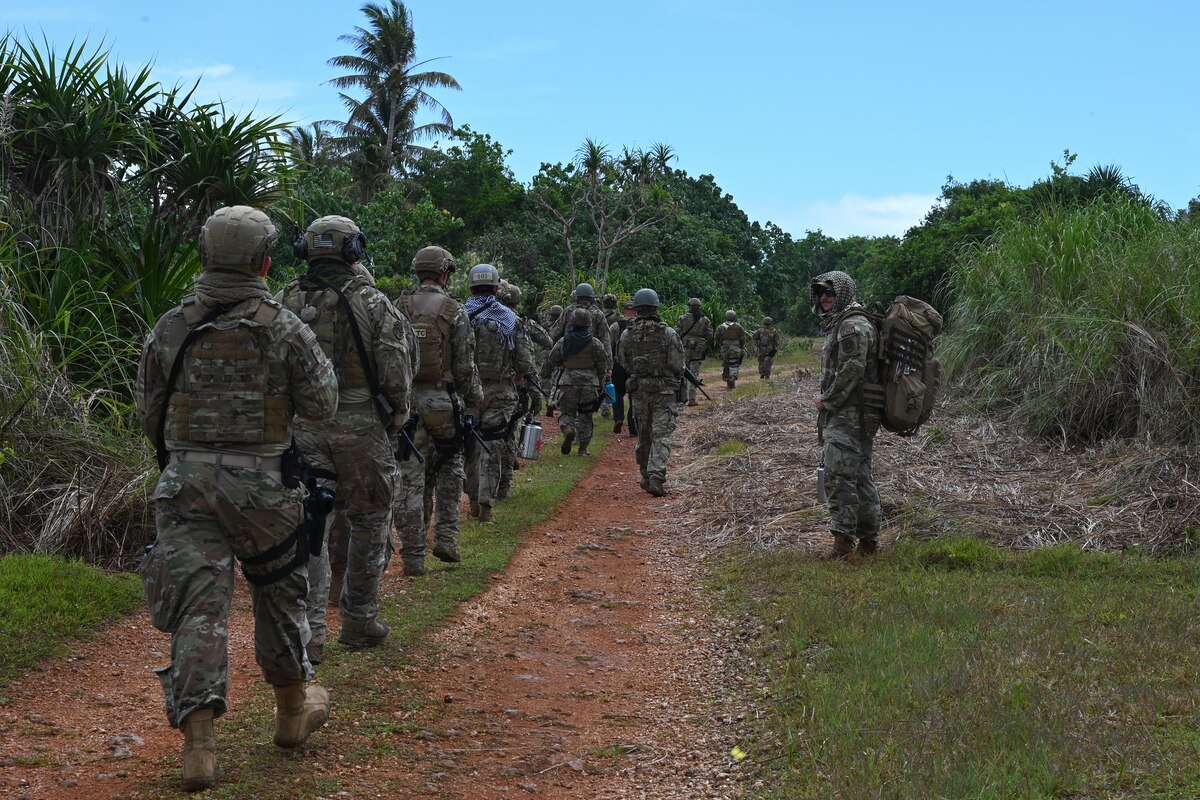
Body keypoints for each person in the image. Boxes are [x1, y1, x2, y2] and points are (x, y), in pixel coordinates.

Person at [137, 206, 338, 791]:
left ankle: (200, 749)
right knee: (279, 593)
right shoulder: (282, 326)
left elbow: (150, 414)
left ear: (204, 255)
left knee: (199, 608)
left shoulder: (171, 327)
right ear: (265, 262)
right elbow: (322, 403)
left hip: (185, 485)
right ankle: (292, 712)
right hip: (263, 488)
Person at [277, 215, 411, 654]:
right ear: (353, 250)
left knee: (312, 524)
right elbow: (395, 370)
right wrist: (393, 420)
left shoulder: (285, 300)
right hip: (361, 426)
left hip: (303, 429)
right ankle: (358, 620)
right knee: (371, 520)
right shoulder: (373, 302)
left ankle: (310, 634)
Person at [394, 246, 483, 575]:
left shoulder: (398, 307)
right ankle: (446, 539)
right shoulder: (454, 311)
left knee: (410, 481)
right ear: (445, 273)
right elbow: (465, 366)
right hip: (444, 403)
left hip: (407, 407)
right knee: (449, 469)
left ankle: (413, 556)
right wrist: (470, 401)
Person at [811, 270, 882, 557]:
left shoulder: (851, 325)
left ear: (843, 293)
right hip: (857, 412)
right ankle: (868, 542)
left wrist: (827, 401)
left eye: (830, 292)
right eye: (821, 293)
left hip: (850, 412)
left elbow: (852, 369)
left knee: (839, 476)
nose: (825, 298)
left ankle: (843, 542)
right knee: (860, 475)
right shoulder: (846, 322)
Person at [464, 266, 533, 523]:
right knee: (492, 445)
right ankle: (485, 506)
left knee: (469, 446)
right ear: (496, 289)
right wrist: (517, 377)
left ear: (471, 287)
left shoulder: (458, 315)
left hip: (467, 392)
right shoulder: (510, 318)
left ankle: (471, 500)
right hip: (501, 391)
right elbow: (524, 361)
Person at [619, 288, 685, 496]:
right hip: (664, 392)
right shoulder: (668, 333)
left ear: (637, 309)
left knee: (644, 434)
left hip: (639, 391)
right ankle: (656, 475)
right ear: (656, 307)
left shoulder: (627, 334)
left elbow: (622, 360)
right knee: (662, 434)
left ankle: (646, 476)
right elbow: (677, 364)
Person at [546, 308, 610, 456]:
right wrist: (600, 383)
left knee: (567, 412)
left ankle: (568, 429)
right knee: (586, 416)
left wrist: (563, 365)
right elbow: (602, 365)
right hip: (589, 384)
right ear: (588, 324)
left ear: (572, 323)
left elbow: (553, 359)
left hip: (568, 382)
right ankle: (583, 449)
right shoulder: (595, 343)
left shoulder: (564, 341)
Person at [549, 282, 612, 360]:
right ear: (591, 297)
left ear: (577, 297)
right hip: (590, 358)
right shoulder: (598, 313)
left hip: (569, 356)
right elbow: (605, 339)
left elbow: (555, 333)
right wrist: (609, 365)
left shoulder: (567, 311)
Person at [674, 297, 713, 406]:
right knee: (694, 373)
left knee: (683, 372)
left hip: (684, 348)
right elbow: (710, 336)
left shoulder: (683, 318)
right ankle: (692, 398)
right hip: (698, 349)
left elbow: (676, 332)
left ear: (689, 306)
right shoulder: (705, 320)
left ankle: (682, 398)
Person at [608, 300, 638, 436]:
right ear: (636, 311)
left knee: (618, 394)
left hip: (618, 364)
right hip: (635, 365)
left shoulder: (615, 326)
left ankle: (619, 418)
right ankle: (633, 427)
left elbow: (610, 345)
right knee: (634, 396)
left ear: (623, 310)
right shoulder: (639, 324)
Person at [715, 310, 748, 389]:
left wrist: (722, 342)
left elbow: (716, 337)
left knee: (726, 364)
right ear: (734, 317)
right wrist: (741, 346)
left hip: (725, 347)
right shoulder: (738, 326)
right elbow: (743, 338)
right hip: (735, 347)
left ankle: (728, 381)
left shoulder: (721, 326)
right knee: (734, 363)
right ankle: (733, 377)